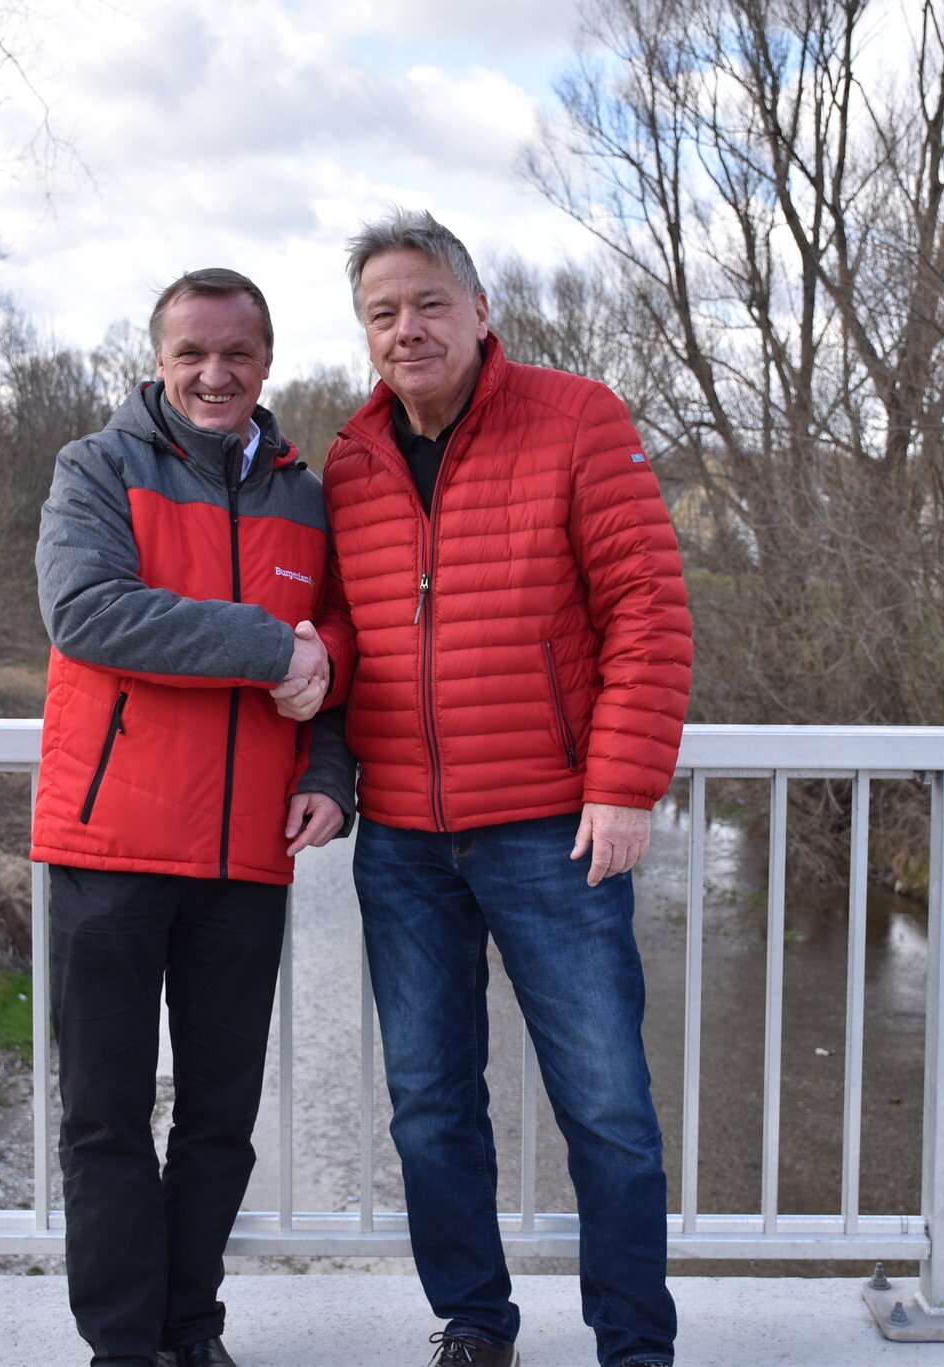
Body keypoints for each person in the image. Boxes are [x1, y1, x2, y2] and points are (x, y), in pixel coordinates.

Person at [316, 210, 693, 1367]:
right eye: (383, 311)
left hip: (552, 830)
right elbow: (334, 633)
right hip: (404, 843)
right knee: (429, 1105)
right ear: (365, 334)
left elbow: (647, 610)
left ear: (480, 312)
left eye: (429, 302)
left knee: (607, 1110)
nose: (407, 327)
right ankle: (475, 1322)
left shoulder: (577, 418)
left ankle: (632, 1344)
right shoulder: (349, 458)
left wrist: (623, 782)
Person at [32, 267, 351, 1367]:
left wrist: (330, 765)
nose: (215, 374)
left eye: (237, 354)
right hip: (109, 845)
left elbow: (342, 648)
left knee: (217, 1122)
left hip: (244, 858)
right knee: (106, 1119)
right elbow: (88, 612)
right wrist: (272, 646)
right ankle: (123, 1347)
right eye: (192, 354)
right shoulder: (95, 467)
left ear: (267, 362)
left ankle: (188, 1328)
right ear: (158, 360)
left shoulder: (307, 495)